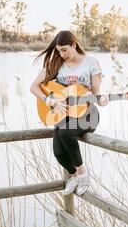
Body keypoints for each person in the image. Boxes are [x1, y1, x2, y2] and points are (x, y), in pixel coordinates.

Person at [30, 30, 109, 196]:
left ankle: (83, 174)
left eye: (64, 50)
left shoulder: (91, 62)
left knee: (65, 132)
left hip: (87, 115)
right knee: (58, 152)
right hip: (66, 115)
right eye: (59, 51)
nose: (61, 54)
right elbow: (34, 87)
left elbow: (96, 93)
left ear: (74, 44)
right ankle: (73, 176)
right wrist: (50, 101)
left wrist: (101, 99)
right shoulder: (58, 64)